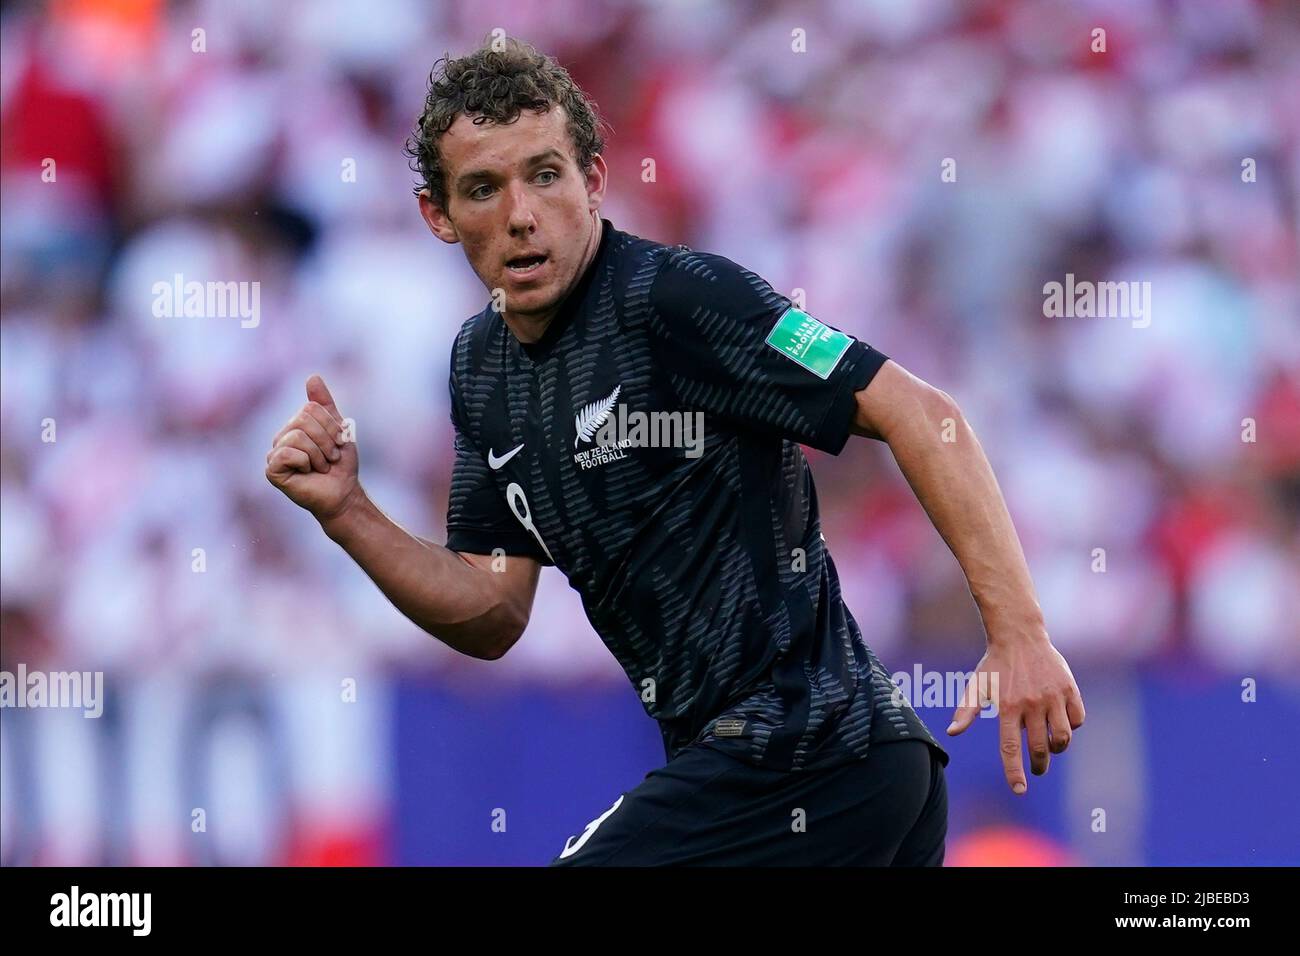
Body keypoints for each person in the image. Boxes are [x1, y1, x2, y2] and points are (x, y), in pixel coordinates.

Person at [265, 37, 1085, 866]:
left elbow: (922, 412)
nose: (520, 213)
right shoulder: (481, 369)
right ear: (437, 215)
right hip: (774, 776)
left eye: (545, 175)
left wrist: (1018, 631)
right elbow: (494, 611)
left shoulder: (678, 299)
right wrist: (350, 513)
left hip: (811, 750)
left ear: (593, 179)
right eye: (483, 187)